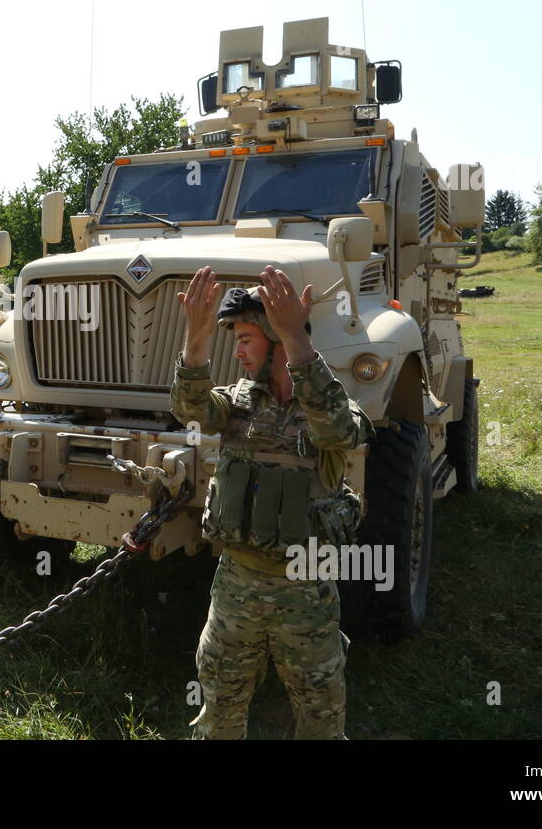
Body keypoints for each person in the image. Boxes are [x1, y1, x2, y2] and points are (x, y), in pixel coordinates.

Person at [170, 264, 373, 739]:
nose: (237, 350)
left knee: (320, 716)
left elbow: (341, 430)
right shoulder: (237, 403)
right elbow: (190, 410)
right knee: (218, 708)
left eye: (245, 339)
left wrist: (296, 337)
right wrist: (195, 340)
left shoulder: (329, 405)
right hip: (236, 586)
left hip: (305, 591)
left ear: (275, 341)